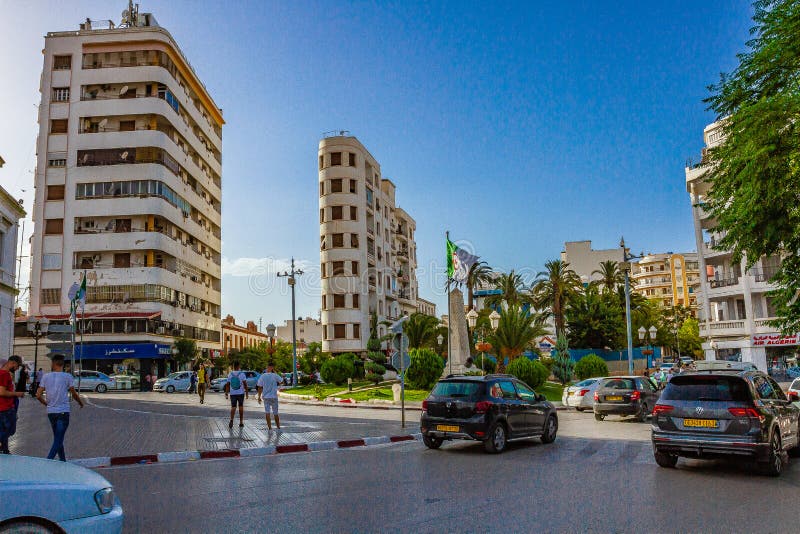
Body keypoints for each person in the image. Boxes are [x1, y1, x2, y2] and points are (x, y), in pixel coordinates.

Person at [36, 354, 84, 461]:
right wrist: (80, 403)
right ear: (62, 364)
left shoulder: (46, 376)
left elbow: (38, 395)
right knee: (58, 439)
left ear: (53, 363)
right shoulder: (68, 376)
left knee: (58, 438)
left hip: (51, 412)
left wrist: (46, 404)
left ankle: (63, 461)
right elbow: (73, 393)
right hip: (63, 412)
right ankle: (48, 462)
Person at [0, 357, 26, 454]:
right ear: (13, 363)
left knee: (3, 430)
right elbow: (2, 392)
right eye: (17, 366)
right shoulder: (4, 374)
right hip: (6, 408)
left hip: (3, 408)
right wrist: (17, 394)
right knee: (11, 430)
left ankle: (5, 450)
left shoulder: (2, 373)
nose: (17, 368)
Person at [257, 363, 284, 430]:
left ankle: (270, 428)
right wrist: (279, 388)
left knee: (267, 412)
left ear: (267, 367)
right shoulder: (275, 375)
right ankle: (278, 427)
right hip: (274, 397)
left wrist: (259, 397)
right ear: (272, 368)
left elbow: (259, 386)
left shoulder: (263, 376)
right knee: (275, 413)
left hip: (266, 397)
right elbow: (281, 381)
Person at [224, 361, 248, 429]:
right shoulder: (242, 374)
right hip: (240, 393)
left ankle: (231, 420)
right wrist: (246, 393)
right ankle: (241, 422)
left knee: (233, 407)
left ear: (233, 366)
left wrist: (226, 393)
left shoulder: (230, 374)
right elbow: (245, 384)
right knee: (241, 406)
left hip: (233, 393)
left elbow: (227, 384)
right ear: (239, 366)